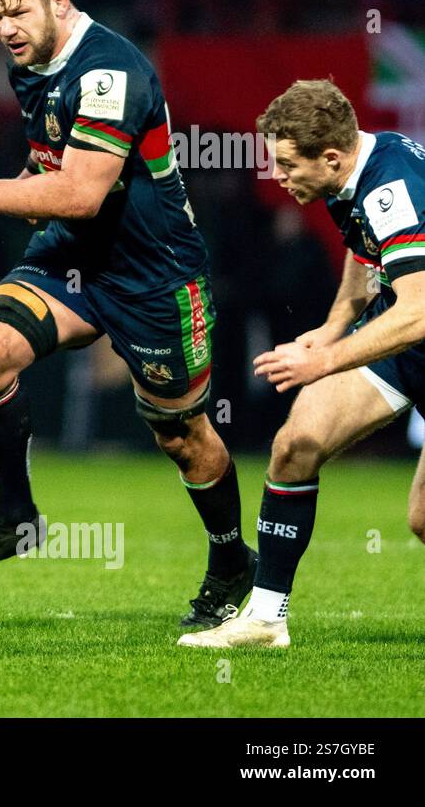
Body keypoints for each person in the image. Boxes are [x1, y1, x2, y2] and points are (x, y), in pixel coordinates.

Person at [0, 0, 252, 629]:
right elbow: (52, 176)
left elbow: (80, 192)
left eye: (19, 11)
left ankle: (231, 560)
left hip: (155, 273)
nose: (6, 27)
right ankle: (14, 518)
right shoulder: (32, 62)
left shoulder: (109, 72)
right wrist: (7, 187)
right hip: (76, 255)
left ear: (59, 1)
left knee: (179, 434)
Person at [181, 78, 425, 649]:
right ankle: (266, 620)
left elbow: (418, 310)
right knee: (297, 443)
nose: (279, 177)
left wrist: (330, 360)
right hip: (412, 349)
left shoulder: (392, 185)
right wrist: (331, 330)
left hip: (415, 327)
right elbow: (367, 254)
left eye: (288, 165)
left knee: (421, 520)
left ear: (332, 157)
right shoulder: (358, 173)